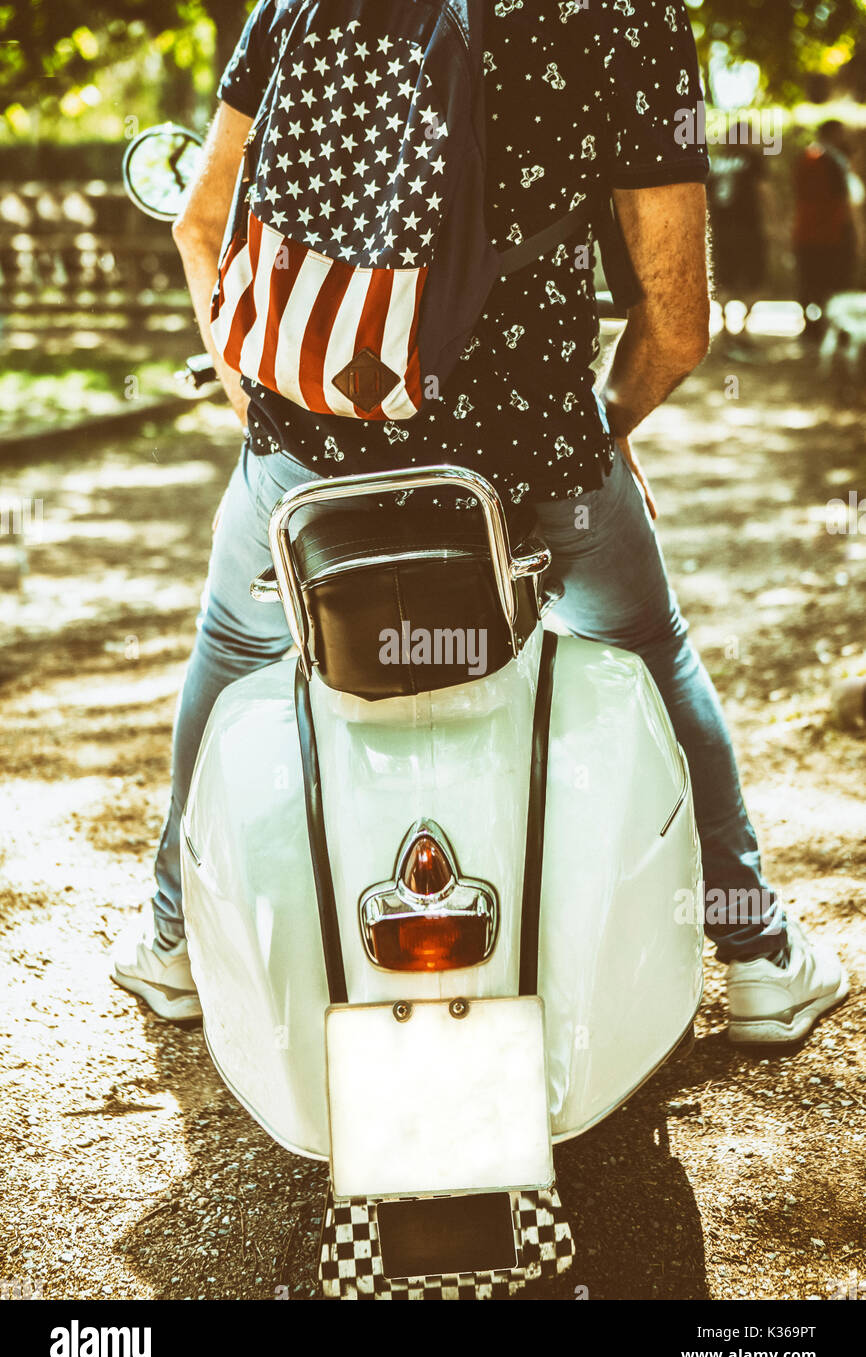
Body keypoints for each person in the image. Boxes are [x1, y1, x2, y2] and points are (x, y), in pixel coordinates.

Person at [113, 0, 848, 1043]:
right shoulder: (628, 17)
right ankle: (757, 951)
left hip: (311, 453)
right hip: (525, 462)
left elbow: (198, 225)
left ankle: (173, 943)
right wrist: (595, 426)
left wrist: (265, 406)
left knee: (236, 643)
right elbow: (676, 325)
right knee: (644, 644)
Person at [793, 119, 859, 340]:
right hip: (832, 231)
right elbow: (846, 199)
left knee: (809, 280)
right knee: (833, 281)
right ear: (834, 134)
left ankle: (811, 327)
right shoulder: (834, 160)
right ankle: (828, 329)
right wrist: (857, 231)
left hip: (807, 230)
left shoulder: (804, 157)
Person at [706, 121, 768, 351]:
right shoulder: (752, 159)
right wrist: (774, 221)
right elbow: (764, 192)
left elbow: (705, 195)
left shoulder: (715, 160)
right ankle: (742, 328)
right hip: (748, 229)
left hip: (720, 231)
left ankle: (724, 327)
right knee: (755, 280)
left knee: (723, 280)